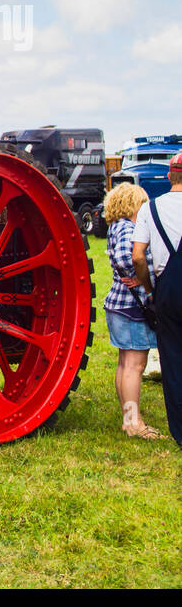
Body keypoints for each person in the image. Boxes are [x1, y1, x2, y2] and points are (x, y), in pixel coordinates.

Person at [101, 184, 160, 438]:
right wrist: (144, 276)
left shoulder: (115, 227)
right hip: (131, 305)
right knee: (135, 365)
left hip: (118, 304)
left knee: (125, 364)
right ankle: (133, 423)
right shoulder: (128, 227)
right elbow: (130, 259)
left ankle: (128, 416)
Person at [132, 151, 182, 447]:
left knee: (173, 360)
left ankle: (179, 430)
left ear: (168, 176)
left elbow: (138, 256)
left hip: (167, 290)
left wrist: (150, 290)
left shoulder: (151, 209)